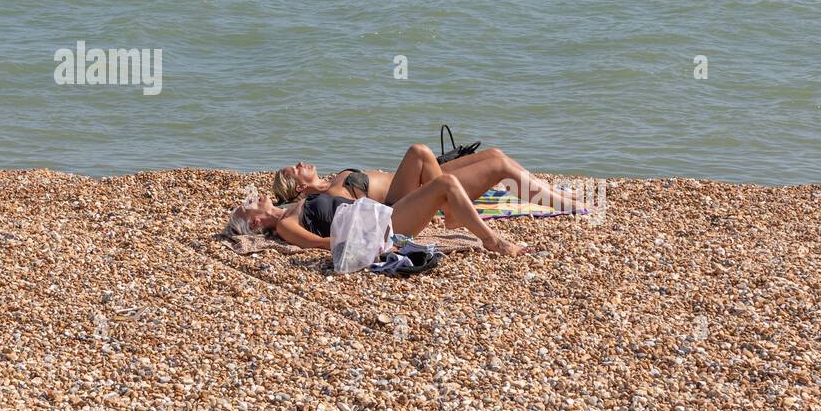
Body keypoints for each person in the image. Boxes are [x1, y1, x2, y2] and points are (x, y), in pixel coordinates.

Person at [226, 173, 528, 257]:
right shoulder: (288, 226)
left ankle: (458, 215)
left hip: (380, 213)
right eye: (249, 203)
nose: (255, 197)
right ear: (255, 221)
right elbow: (324, 244)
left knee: (421, 153)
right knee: (445, 183)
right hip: (384, 226)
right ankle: (493, 242)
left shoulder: (295, 204)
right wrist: (380, 246)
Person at [271, 144, 584, 214]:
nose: (300, 163)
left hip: (426, 180)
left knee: (496, 155)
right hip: (417, 195)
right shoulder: (330, 195)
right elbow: (365, 215)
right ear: (299, 186)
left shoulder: (334, 181)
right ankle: (566, 205)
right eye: (294, 169)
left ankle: (559, 198)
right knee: (419, 152)